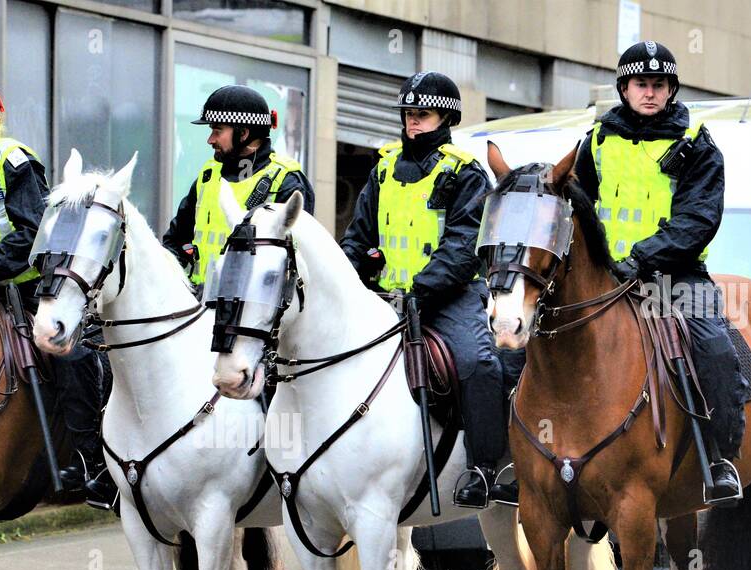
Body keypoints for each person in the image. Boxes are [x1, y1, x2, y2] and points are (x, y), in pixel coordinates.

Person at [0, 76, 118, 509]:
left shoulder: (14, 161)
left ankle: (94, 465)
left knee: (73, 354)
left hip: (34, 292)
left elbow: (34, 235)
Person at [340, 71, 522, 508]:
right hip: (384, 299)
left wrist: (420, 293)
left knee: (480, 365)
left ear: (445, 118)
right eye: (408, 115)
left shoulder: (465, 174)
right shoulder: (382, 168)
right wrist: (348, 283)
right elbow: (357, 236)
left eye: (422, 115)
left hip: (448, 300)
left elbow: (462, 249)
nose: (413, 123)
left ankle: (484, 468)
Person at [574, 40, 745, 503]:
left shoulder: (697, 143)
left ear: (670, 90)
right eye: (640, 84)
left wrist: (644, 258)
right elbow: (574, 206)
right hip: (606, 278)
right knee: (542, 336)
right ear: (624, 88)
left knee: (714, 349)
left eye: (659, 85)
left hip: (675, 278)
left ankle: (719, 458)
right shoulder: (595, 141)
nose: (649, 93)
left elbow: (698, 220)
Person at [163, 85, 315, 288]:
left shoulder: (287, 182)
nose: (210, 140)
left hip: (247, 315)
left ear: (243, 133)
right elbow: (174, 242)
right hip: (197, 309)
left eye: (218, 131)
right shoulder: (209, 175)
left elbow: (294, 267)